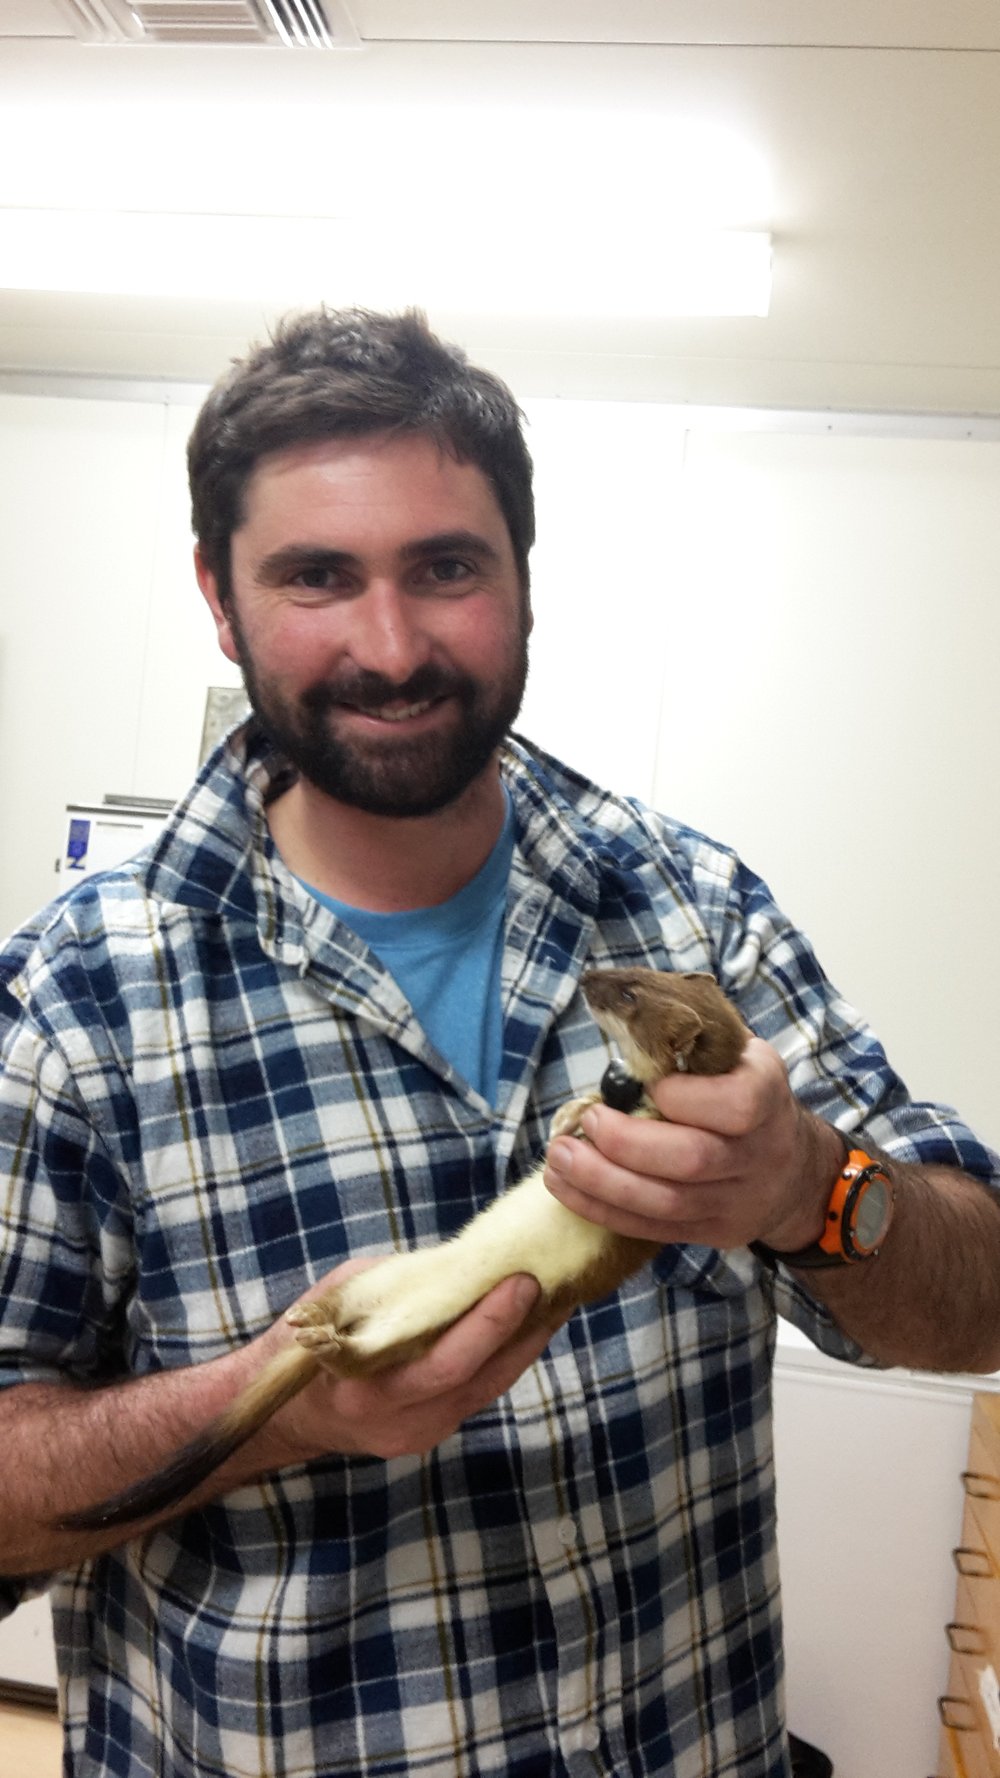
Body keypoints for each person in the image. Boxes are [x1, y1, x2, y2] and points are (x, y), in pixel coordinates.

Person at [1, 307, 998, 1778]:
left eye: (446, 568)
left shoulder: (691, 906)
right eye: (317, 576)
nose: (390, 646)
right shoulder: (75, 997)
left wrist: (809, 1187)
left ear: (524, 578)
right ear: (218, 596)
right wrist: (274, 1410)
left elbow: (980, 1301)